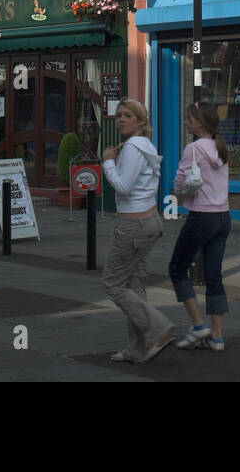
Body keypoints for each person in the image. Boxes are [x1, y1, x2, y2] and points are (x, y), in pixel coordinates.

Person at [101, 98, 176, 363]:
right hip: (147, 222)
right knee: (134, 284)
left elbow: (123, 186)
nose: (121, 119)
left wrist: (108, 162)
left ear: (141, 121)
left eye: (128, 116)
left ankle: (157, 328)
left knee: (113, 284)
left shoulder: (133, 147)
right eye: (119, 115)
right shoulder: (144, 145)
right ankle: (139, 348)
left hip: (134, 226)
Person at [168, 101, 231, 351]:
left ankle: (197, 324)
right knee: (214, 276)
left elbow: (180, 183)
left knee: (176, 268)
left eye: (189, 118)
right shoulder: (220, 147)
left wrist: (178, 193)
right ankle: (217, 336)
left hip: (201, 216)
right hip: (223, 217)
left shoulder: (193, 149)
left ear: (200, 123)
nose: (186, 122)